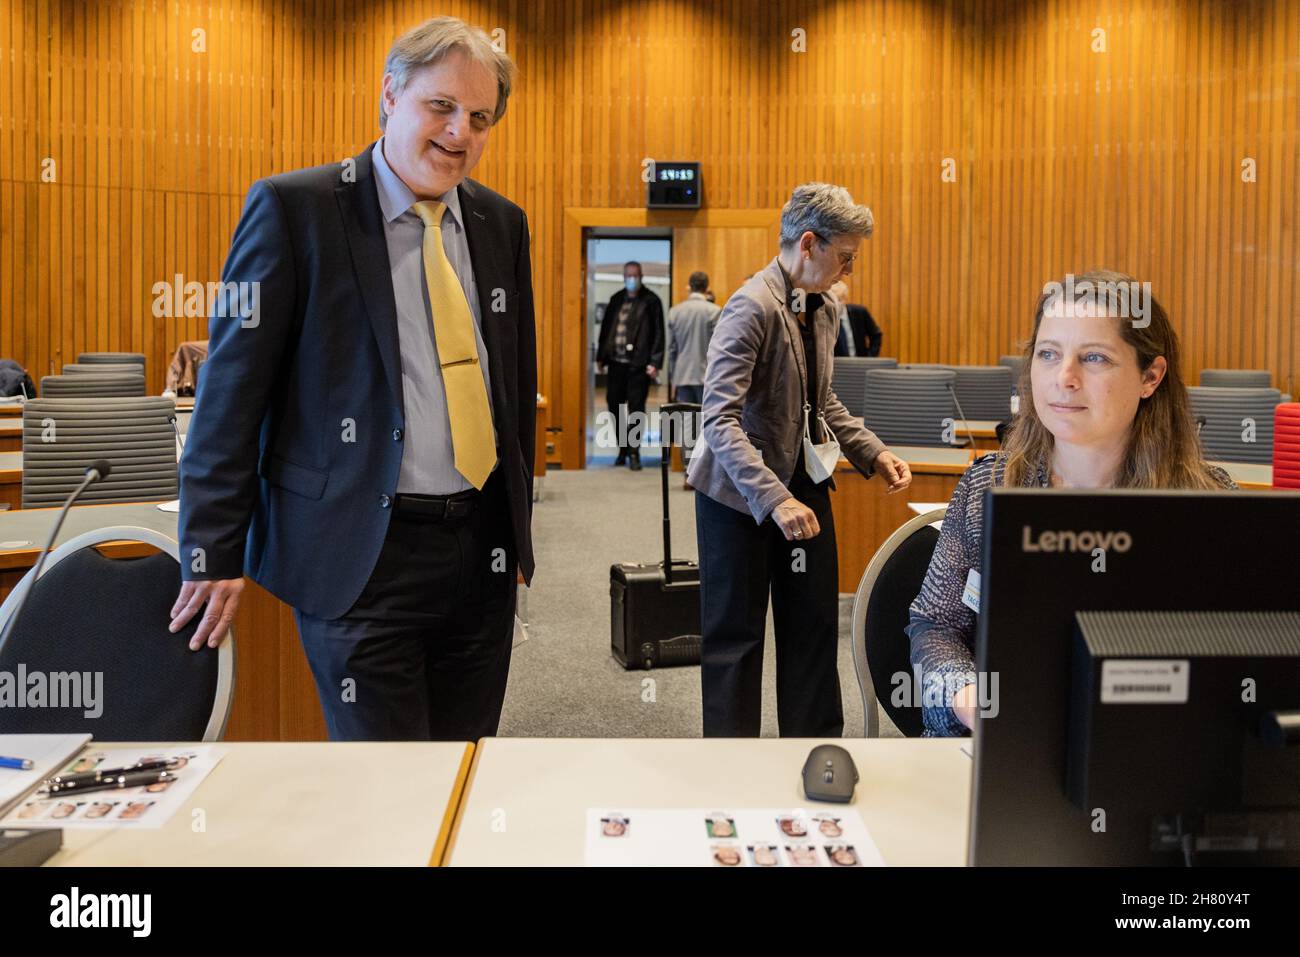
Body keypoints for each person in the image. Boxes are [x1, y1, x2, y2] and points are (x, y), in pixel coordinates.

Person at [172, 17, 537, 742]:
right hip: (362, 556)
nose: (461, 132)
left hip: (479, 552)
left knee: (466, 769)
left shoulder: (502, 223)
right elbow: (229, 395)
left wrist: (516, 531)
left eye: (481, 117)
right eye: (442, 107)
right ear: (390, 94)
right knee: (389, 791)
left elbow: (512, 386)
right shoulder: (294, 211)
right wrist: (211, 545)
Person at [907, 270, 1237, 737]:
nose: (1065, 378)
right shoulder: (989, 486)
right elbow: (934, 625)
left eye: (1095, 357)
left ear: (1150, 376)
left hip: (1149, 754)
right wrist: (969, 700)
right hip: (998, 754)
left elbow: (1239, 653)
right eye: (1048, 354)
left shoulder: (1210, 502)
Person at [687, 183, 912, 738]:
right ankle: (732, 764)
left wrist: (873, 449)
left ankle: (812, 752)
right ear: (808, 244)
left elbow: (822, 397)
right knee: (736, 638)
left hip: (803, 486)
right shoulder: (751, 306)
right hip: (738, 497)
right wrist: (774, 497)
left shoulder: (826, 305)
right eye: (845, 258)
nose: (849, 272)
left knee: (812, 627)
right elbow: (717, 420)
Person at [595, 261, 665, 470]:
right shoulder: (616, 299)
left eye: (634, 275)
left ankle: (634, 452)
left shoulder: (651, 301)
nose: (631, 279)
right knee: (614, 405)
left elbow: (659, 333)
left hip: (639, 364)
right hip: (616, 364)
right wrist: (601, 357)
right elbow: (607, 330)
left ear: (641, 276)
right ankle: (622, 448)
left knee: (636, 409)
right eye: (628, 275)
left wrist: (655, 361)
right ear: (623, 277)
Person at [667, 271, 721, 406]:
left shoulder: (675, 312)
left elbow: (672, 349)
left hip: (682, 375)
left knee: (688, 423)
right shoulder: (715, 311)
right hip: (707, 376)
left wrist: (673, 378)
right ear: (707, 287)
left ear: (689, 287)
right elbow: (719, 348)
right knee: (706, 421)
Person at [829, 279, 883, 357]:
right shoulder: (825, 317)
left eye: (839, 299)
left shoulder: (860, 313)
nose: (836, 304)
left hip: (860, 363)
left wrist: (870, 357)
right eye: (833, 300)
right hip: (837, 365)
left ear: (845, 299)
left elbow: (876, 335)